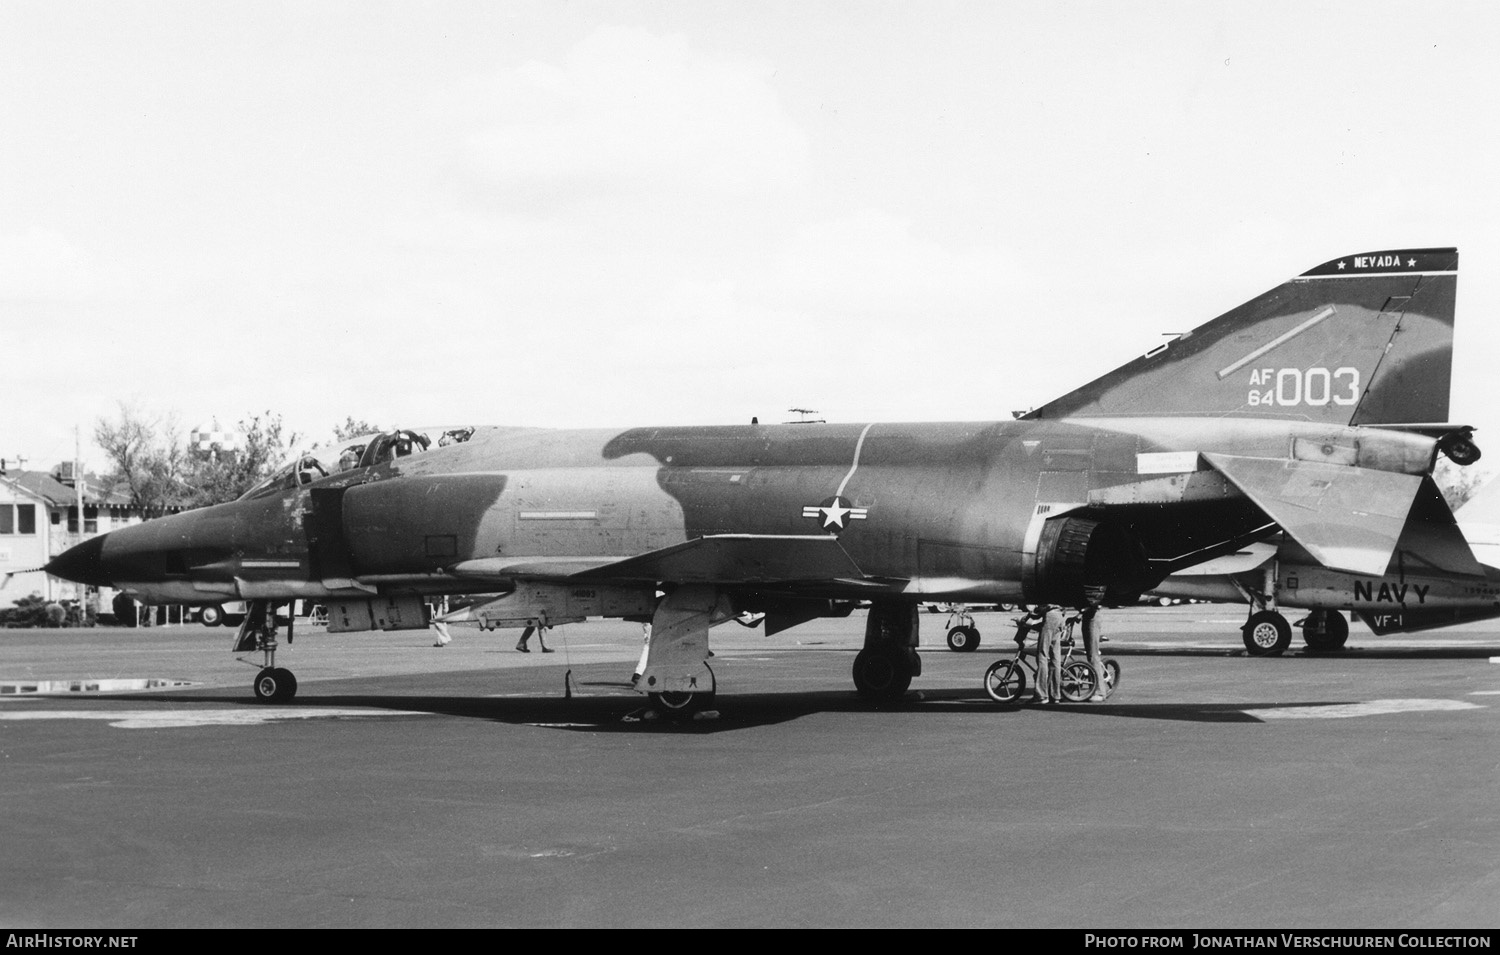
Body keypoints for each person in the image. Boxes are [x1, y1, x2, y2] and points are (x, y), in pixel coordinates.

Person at [1031, 603, 1066, 704]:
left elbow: (1042, 608)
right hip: (1060, 616)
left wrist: (1033, 613)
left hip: (1050, 616)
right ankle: (1056, 695)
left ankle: (1042, 695)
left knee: (1042, 655)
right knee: (1056, 658)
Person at [1079, 593, 1107, 702]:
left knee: (1093, 655)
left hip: (1092, 618)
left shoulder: (1094, 593)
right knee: (1090, 655)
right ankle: (1094, 687)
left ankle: (1100, 692)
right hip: (1088, 617)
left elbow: (1094, 604)